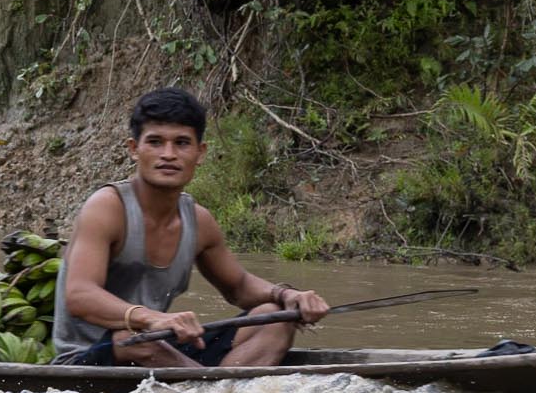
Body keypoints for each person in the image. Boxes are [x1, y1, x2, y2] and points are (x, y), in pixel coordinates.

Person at [52, 86, 330, 367]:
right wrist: (153, 318)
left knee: (275, 316)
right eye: (156, 142)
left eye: (182, 143)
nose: (169, 154)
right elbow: (80, 295)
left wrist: (288, 295)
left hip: (158, 346)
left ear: (201, 152)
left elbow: (239, 286)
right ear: (134, 150)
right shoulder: (106, 208)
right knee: (134, 337)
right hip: (90, 356)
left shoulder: (199, 221)